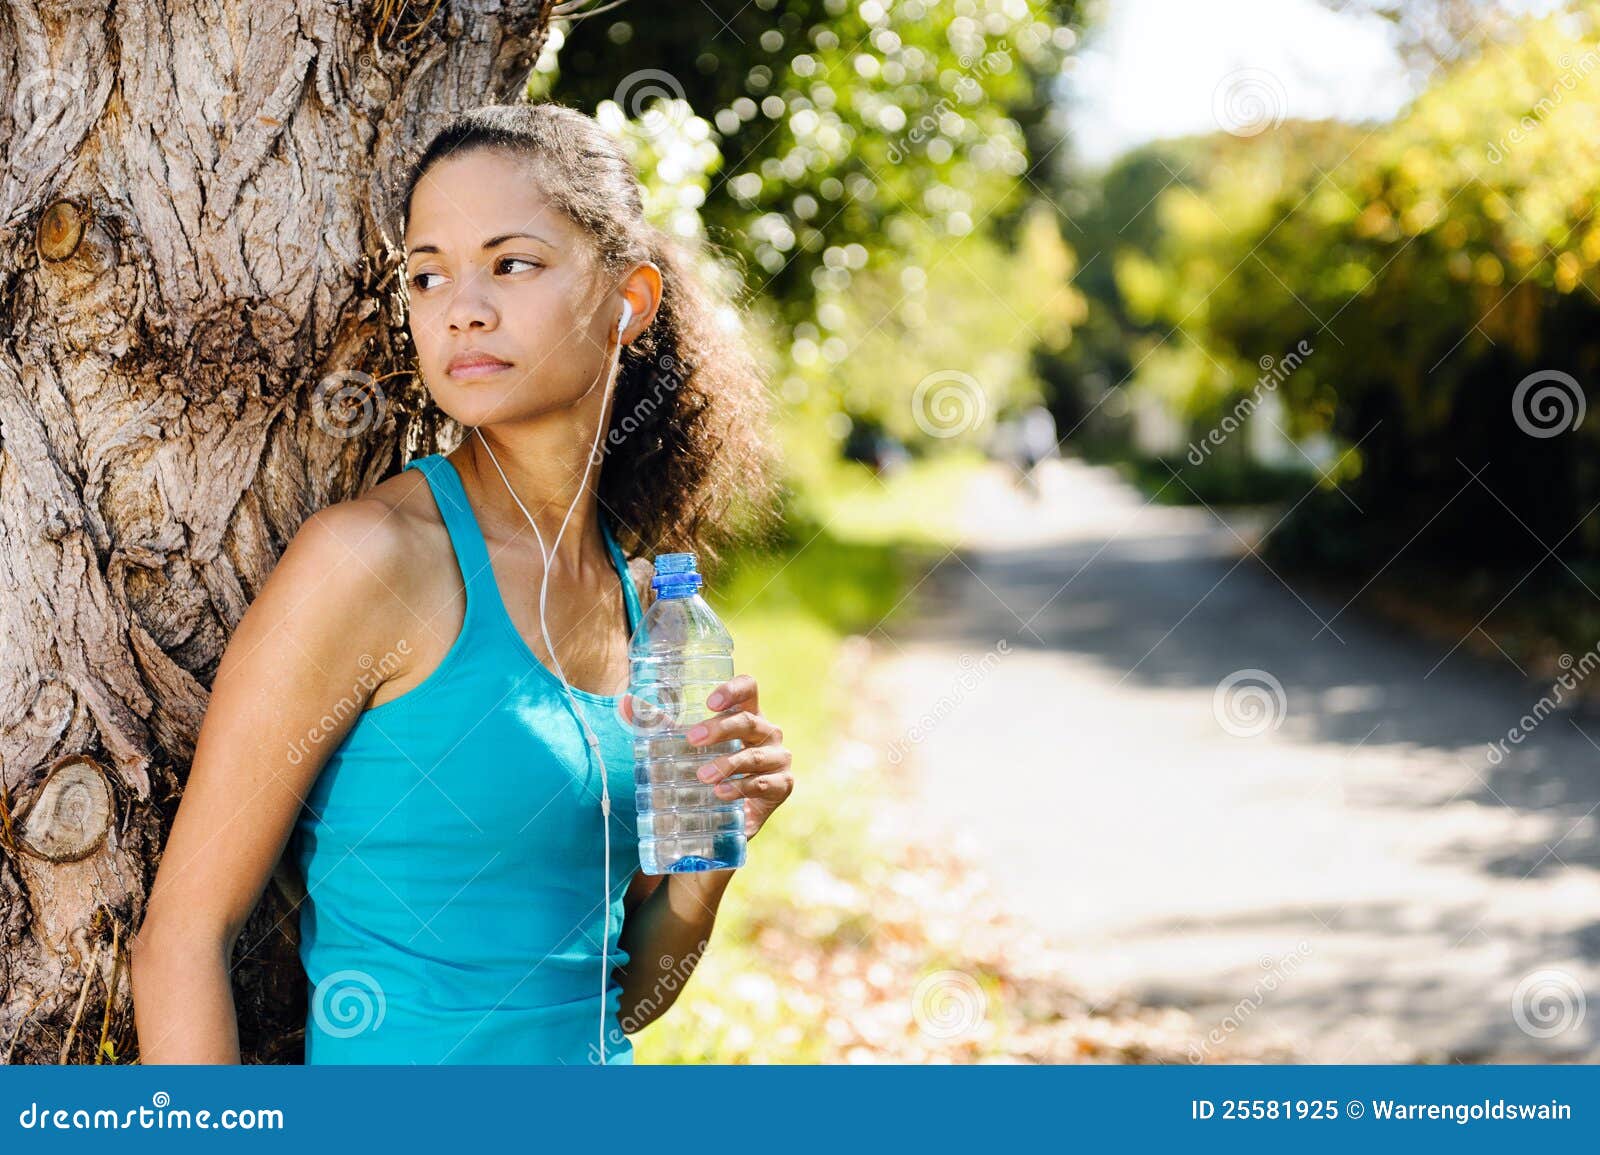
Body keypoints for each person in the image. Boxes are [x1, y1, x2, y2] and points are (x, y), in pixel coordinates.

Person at [129, 102, 794, 1065]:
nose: (461, 307)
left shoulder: (655, 614)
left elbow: (624, 1000)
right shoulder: (374, 561)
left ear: (629, 299)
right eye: (428, 274)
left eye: (510, 263)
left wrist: (704, 867)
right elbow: (181, 941)